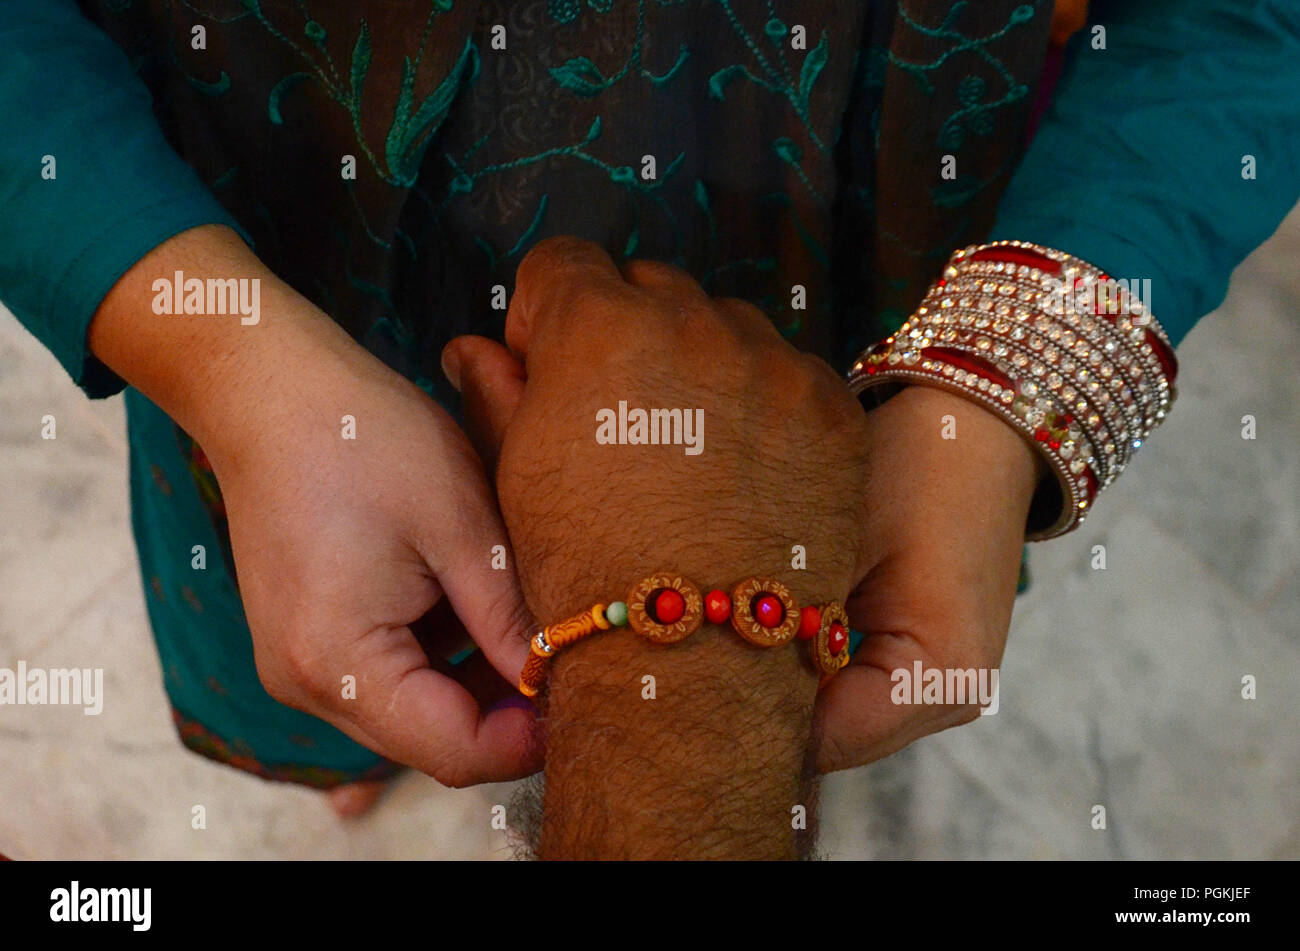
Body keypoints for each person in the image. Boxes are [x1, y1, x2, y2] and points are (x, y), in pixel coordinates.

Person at [2, 0, 1297, 852]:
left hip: (869, 277)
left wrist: (1002, 385)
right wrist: (225, 356)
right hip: (301, 285)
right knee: (350, 642)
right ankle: (341, 745)